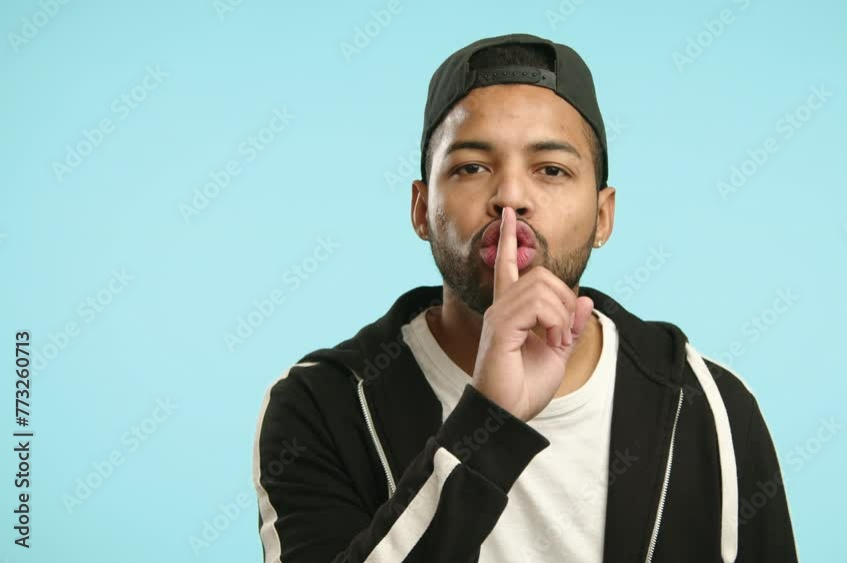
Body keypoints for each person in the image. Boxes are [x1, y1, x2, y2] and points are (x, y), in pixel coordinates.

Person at [253, 32, 797, 562]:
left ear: (603, 216)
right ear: (421, 210)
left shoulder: (711, 406)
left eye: (552, 170)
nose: (511, 196)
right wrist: (487, 422)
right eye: (471, 167)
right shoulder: (321, 405)